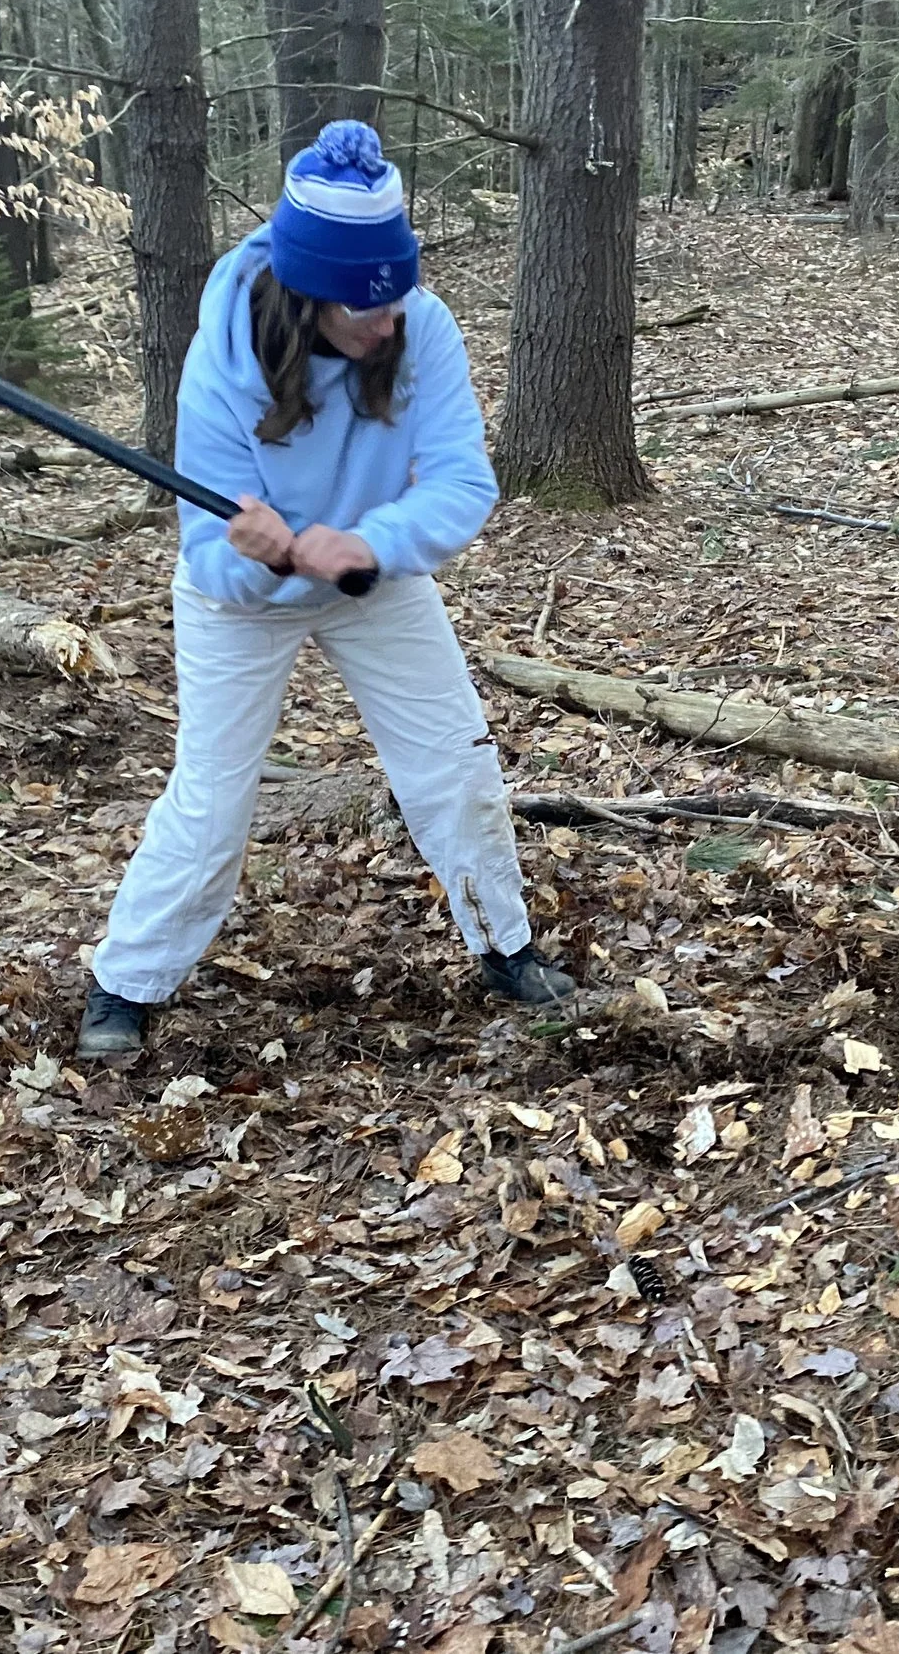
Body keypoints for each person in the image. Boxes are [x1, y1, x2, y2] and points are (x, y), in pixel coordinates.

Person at [79, 121, 574, 1057]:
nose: (384, 323)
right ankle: (127, 982)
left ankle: (504, 945)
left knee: (456, 762)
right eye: (361, 312)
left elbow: (465, 482)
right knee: (215, 798)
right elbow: (208, 554)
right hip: (240, 604)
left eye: (394, 300)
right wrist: (263, 553)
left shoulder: (418, 320)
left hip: (371, 578)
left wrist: (363, 543)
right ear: (308, 296)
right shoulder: (221, 365)